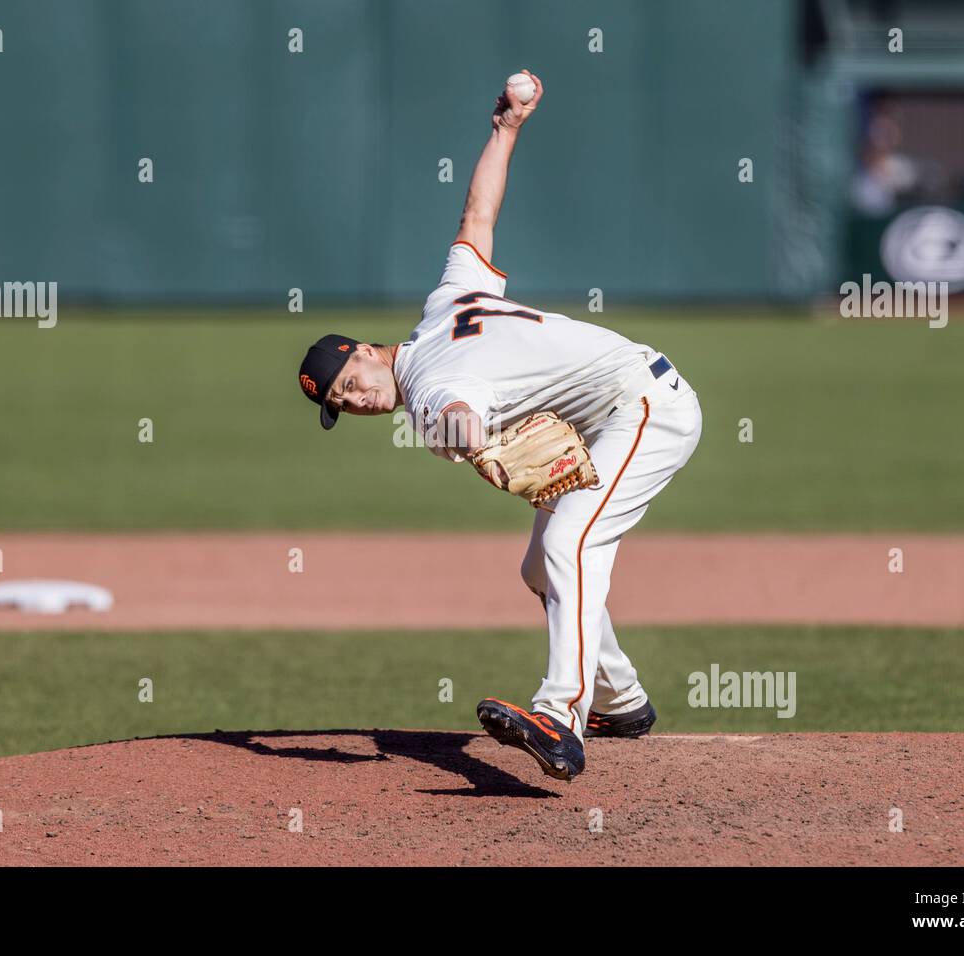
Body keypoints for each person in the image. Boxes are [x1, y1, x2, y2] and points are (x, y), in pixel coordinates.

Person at [296, 71, 702, 781]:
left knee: (573, 538)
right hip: (616, 409)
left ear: (365, 349)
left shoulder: (427, 387)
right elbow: (476, 218)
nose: (356, 400)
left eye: (350, 382)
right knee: (539, 565)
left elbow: (455, 415)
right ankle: (621, 700)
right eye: (342, 403)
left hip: (645, 407)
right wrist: (505, 130)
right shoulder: (446, 301)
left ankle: (561, 713)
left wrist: (464, 438)